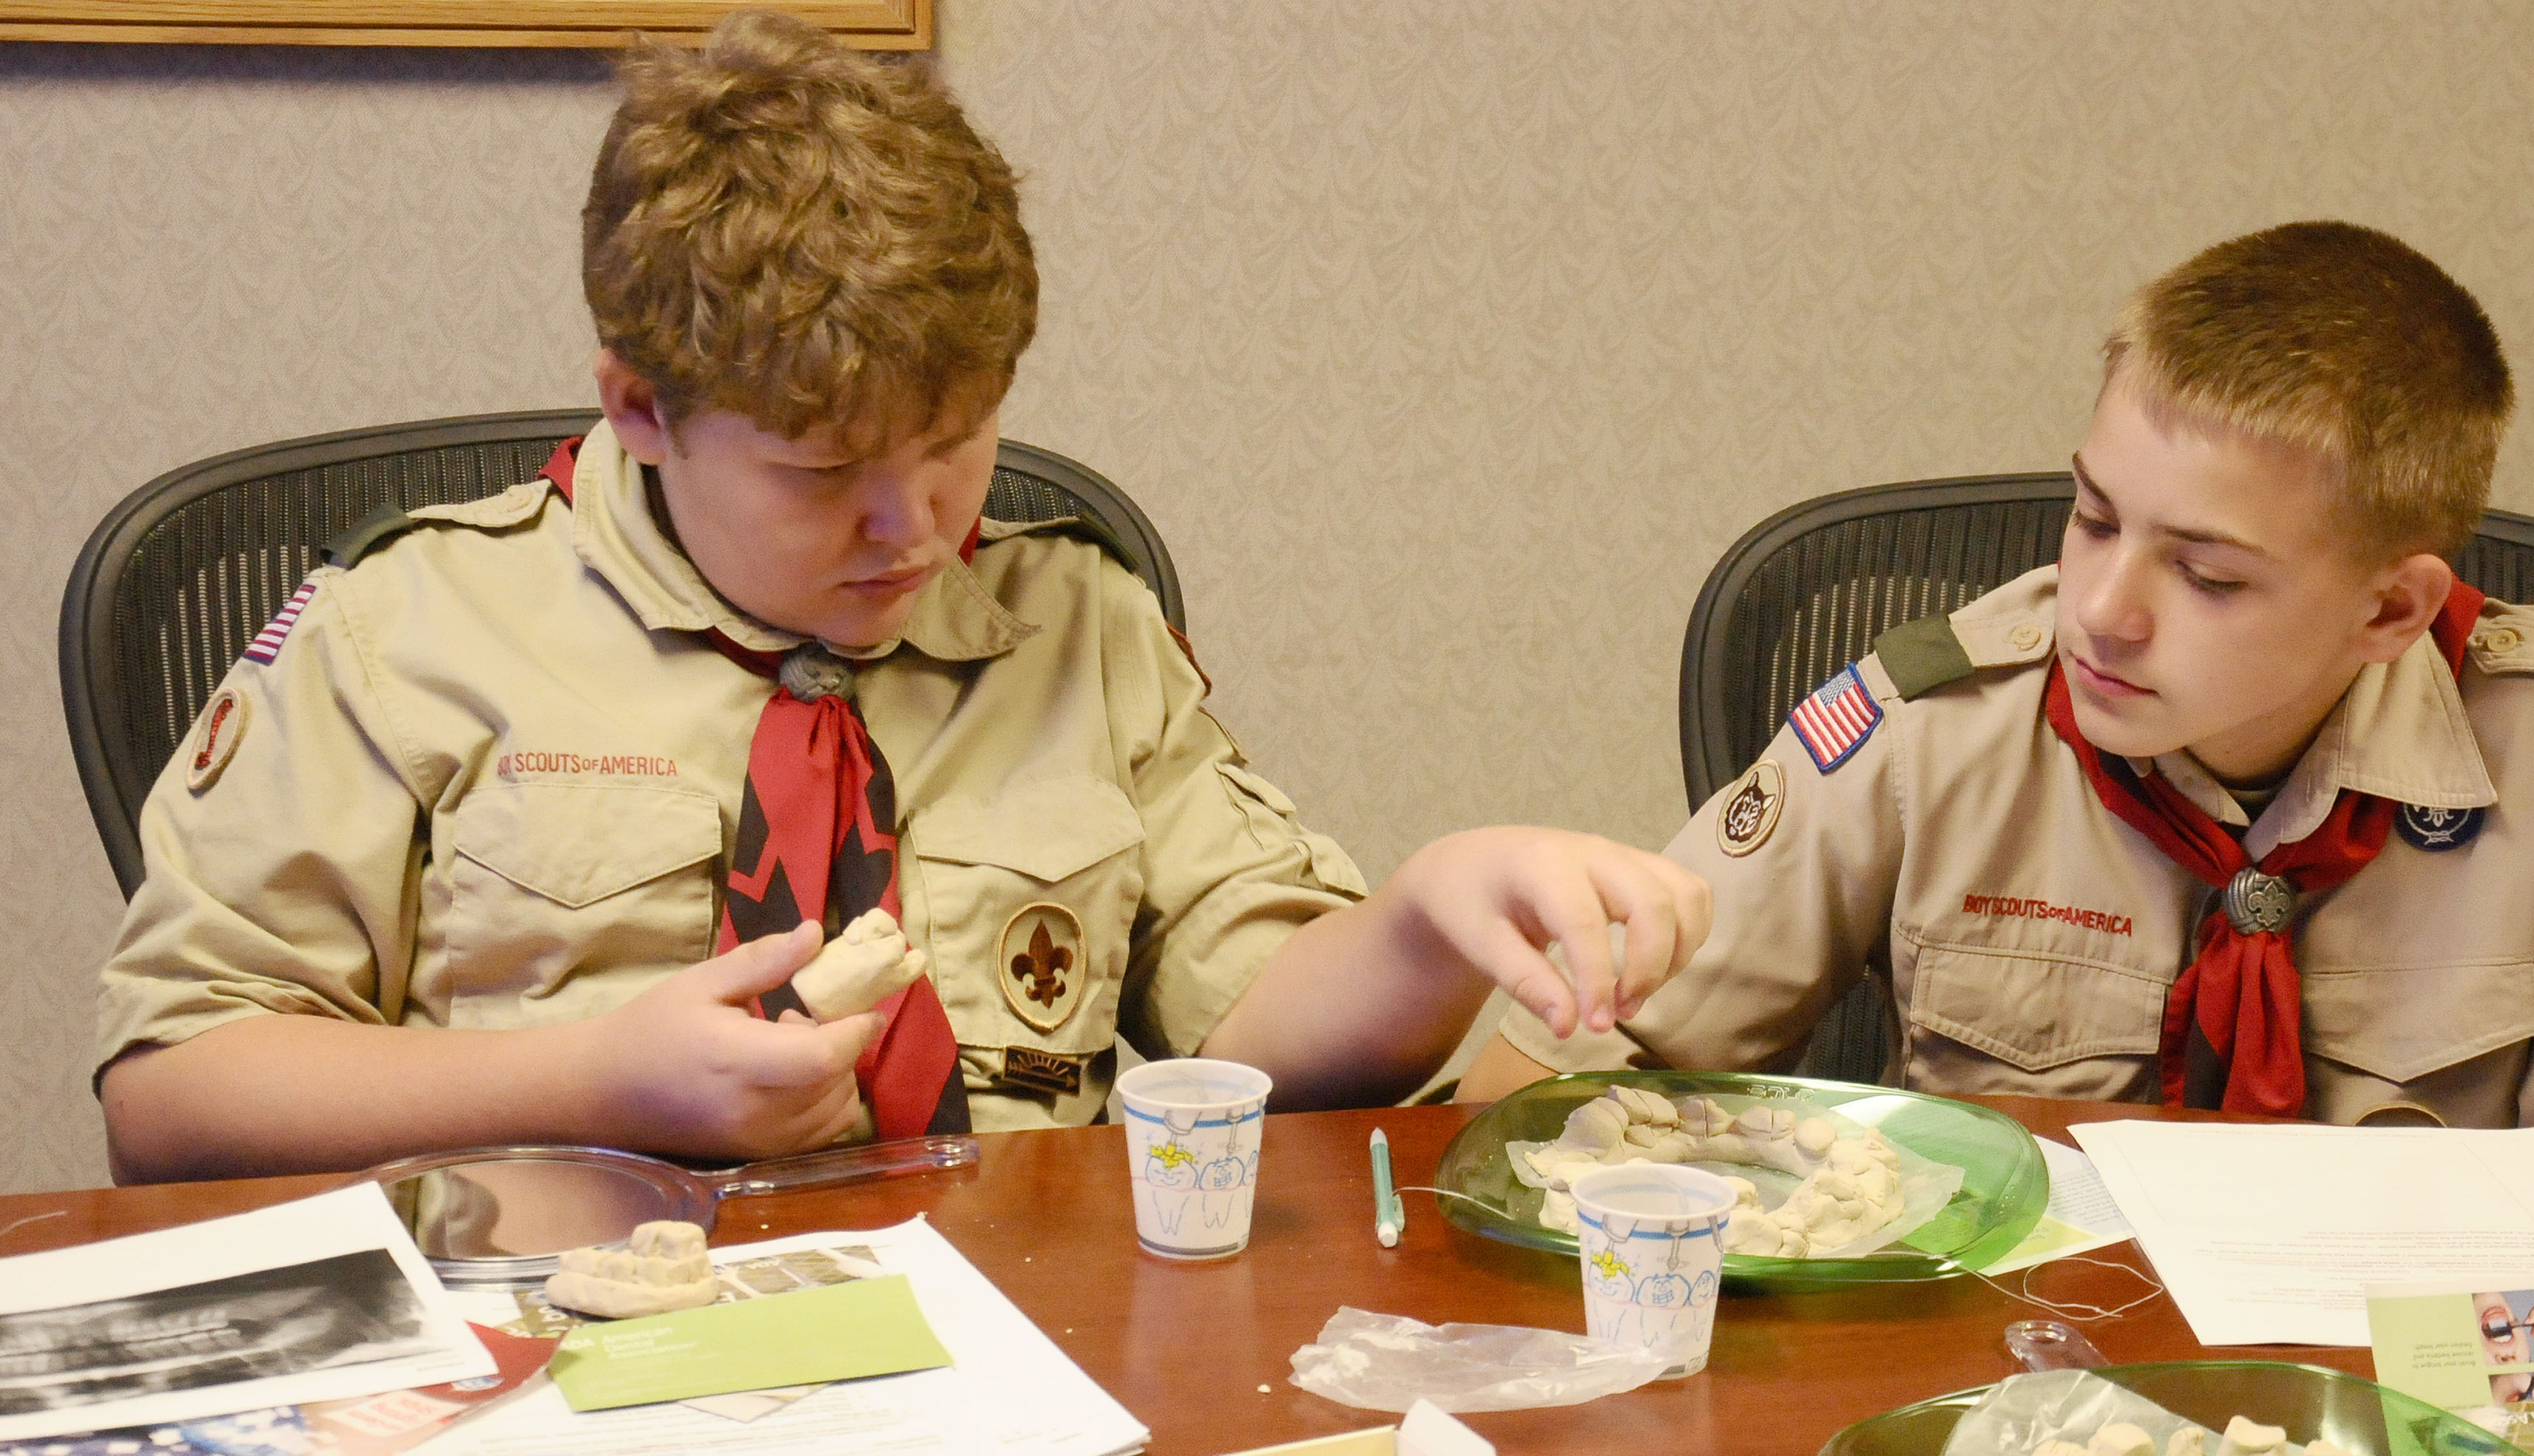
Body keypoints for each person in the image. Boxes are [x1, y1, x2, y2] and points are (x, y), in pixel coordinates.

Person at [94, 11, 1704, 1184]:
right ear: (638, 408)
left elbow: (1261, 1032)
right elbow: (175, 1091)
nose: (913, 530)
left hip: (1014, 1351)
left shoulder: (1075, 623)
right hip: (557, 1352)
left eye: (955, 447)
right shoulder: (413, 630)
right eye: (817, 477)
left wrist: (1428, 911)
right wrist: (593, 1076)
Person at [1462, 221, 2534, 1199]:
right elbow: (1549, 1098)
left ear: (2388, 610)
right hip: (1986, 1408)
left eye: (2206, 573)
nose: (2099, 606)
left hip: (2404, 1424)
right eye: (2092, 514)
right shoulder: (1940, 718)